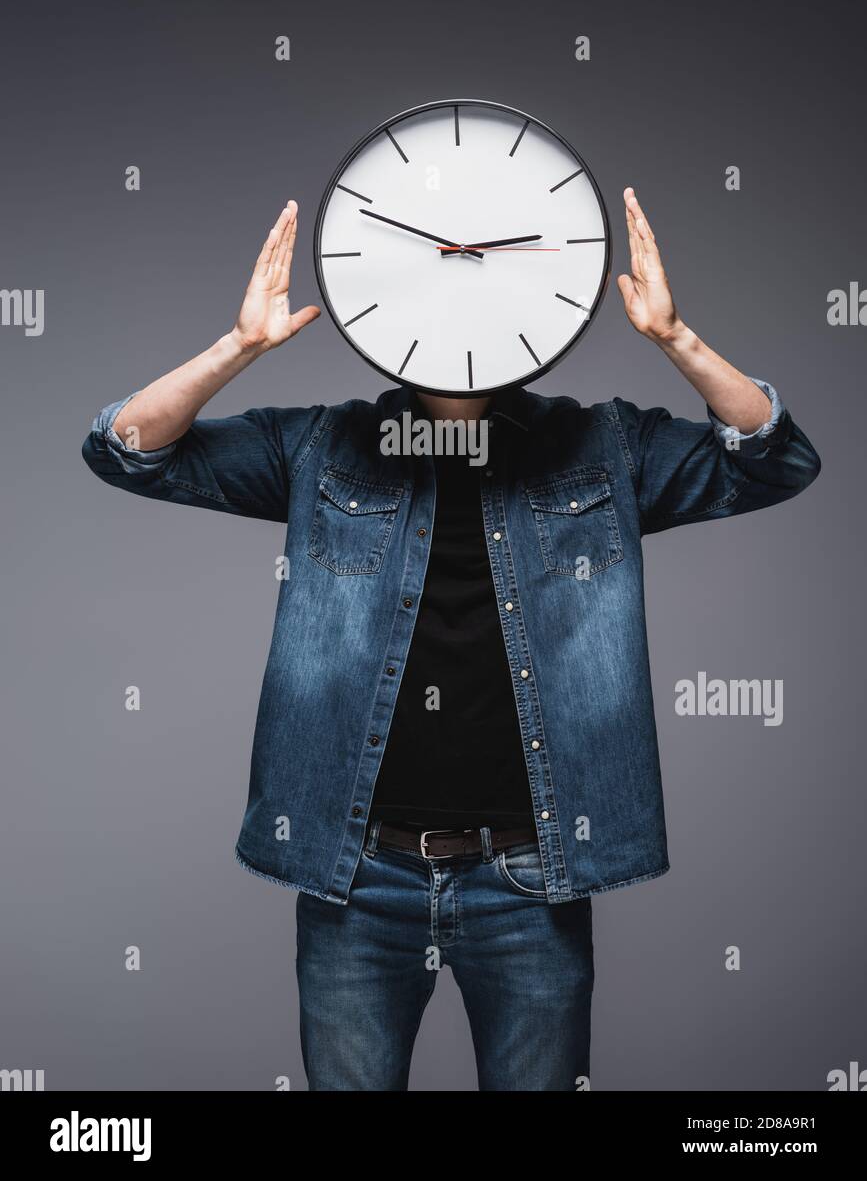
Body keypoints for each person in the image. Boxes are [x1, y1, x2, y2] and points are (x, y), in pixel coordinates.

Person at [82, 187, 820, 1091]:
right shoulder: (322, 446)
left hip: (530, 875)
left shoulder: (602, 446)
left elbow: (774, 462)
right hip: (356, 878)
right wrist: (238, 347)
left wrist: (678, 340)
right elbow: (125, 451)